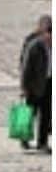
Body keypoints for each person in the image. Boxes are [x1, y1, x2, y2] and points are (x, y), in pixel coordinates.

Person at [20, 16, 51, 152]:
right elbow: (25, 68)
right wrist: (24, 88)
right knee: (30, 113)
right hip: (34, 85)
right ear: (44, 34)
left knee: (46, 115)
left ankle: (42, 143)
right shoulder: (34, 46)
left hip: (49, 83)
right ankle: (24, 139)